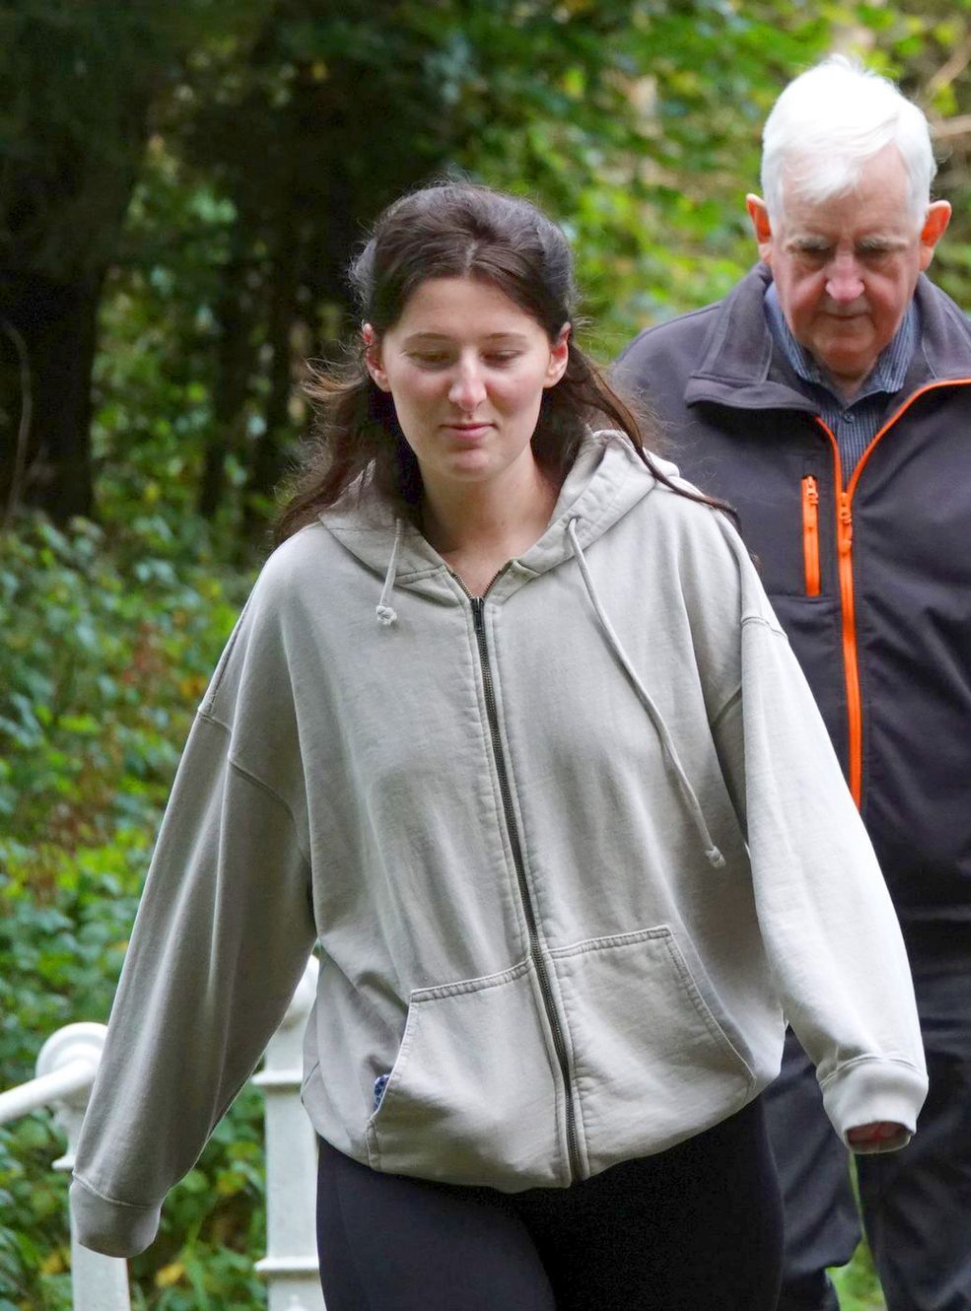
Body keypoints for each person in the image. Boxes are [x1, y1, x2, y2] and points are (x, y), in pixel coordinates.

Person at [68, 182, 927, 1311]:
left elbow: (797, 811)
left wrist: (866, 1054)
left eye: (500, 353)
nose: (467, 392)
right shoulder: (311, 602)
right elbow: (218, 894)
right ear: (377, 360)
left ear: (557, 355)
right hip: (421, 1156)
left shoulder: (675, 550)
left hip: (677, 1139)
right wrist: (123, 1174)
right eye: (432, 355)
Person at [611, 56, 971, 1311]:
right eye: (812, 251)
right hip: (736, 928)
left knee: (948, 1275)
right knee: (767, 1264)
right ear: (759, 232)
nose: (845, 286)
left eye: (880, 252)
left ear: (933, 235)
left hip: (957, 923)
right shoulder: (650, 405)